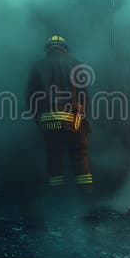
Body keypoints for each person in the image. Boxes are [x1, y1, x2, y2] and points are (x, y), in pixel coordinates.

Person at [26, 35, 93, 192]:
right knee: (79, 157)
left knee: (54, 158)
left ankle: (57, 199)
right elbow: (84, 94)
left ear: (48, 49)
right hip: (72, 120)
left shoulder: (38, 66)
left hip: (48, 122)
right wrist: (83, 116)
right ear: (65, 48)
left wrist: (37, 117)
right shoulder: (75, 64)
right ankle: (87, 195)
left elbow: (30, 95)